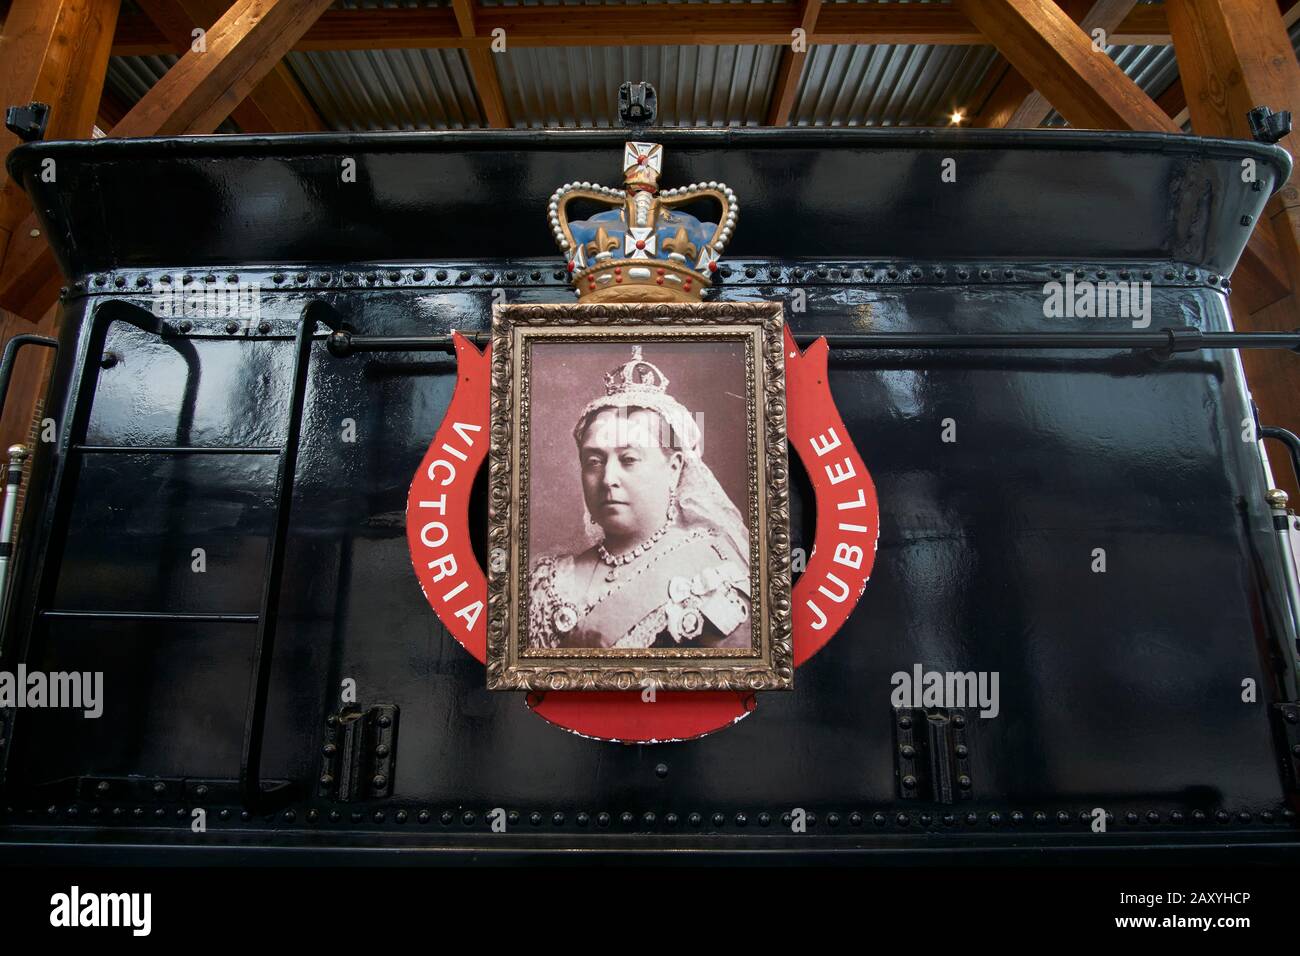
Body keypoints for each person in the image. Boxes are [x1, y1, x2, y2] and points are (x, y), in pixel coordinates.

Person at [528, 346, 752, 650]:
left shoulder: (713, 571)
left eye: (629, 459)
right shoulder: (550, 579)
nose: (608, 479)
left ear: (673, 469)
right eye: (594, 461)